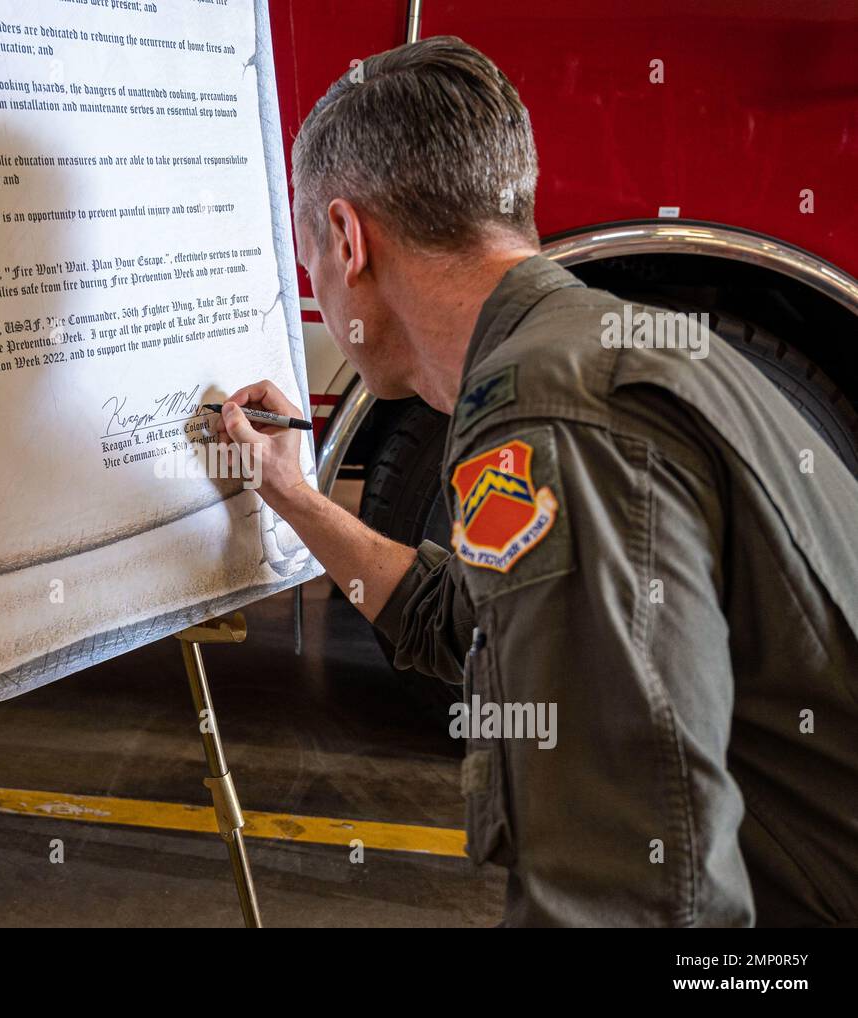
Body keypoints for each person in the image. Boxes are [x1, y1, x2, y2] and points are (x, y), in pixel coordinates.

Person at [218, 36, 858, 926]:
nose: (317, 287)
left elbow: (630, 896)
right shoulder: (588, 351)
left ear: (346, 237)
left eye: (310, 260)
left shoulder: (553, 420)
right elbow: (460, 621)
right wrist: (293, 492)